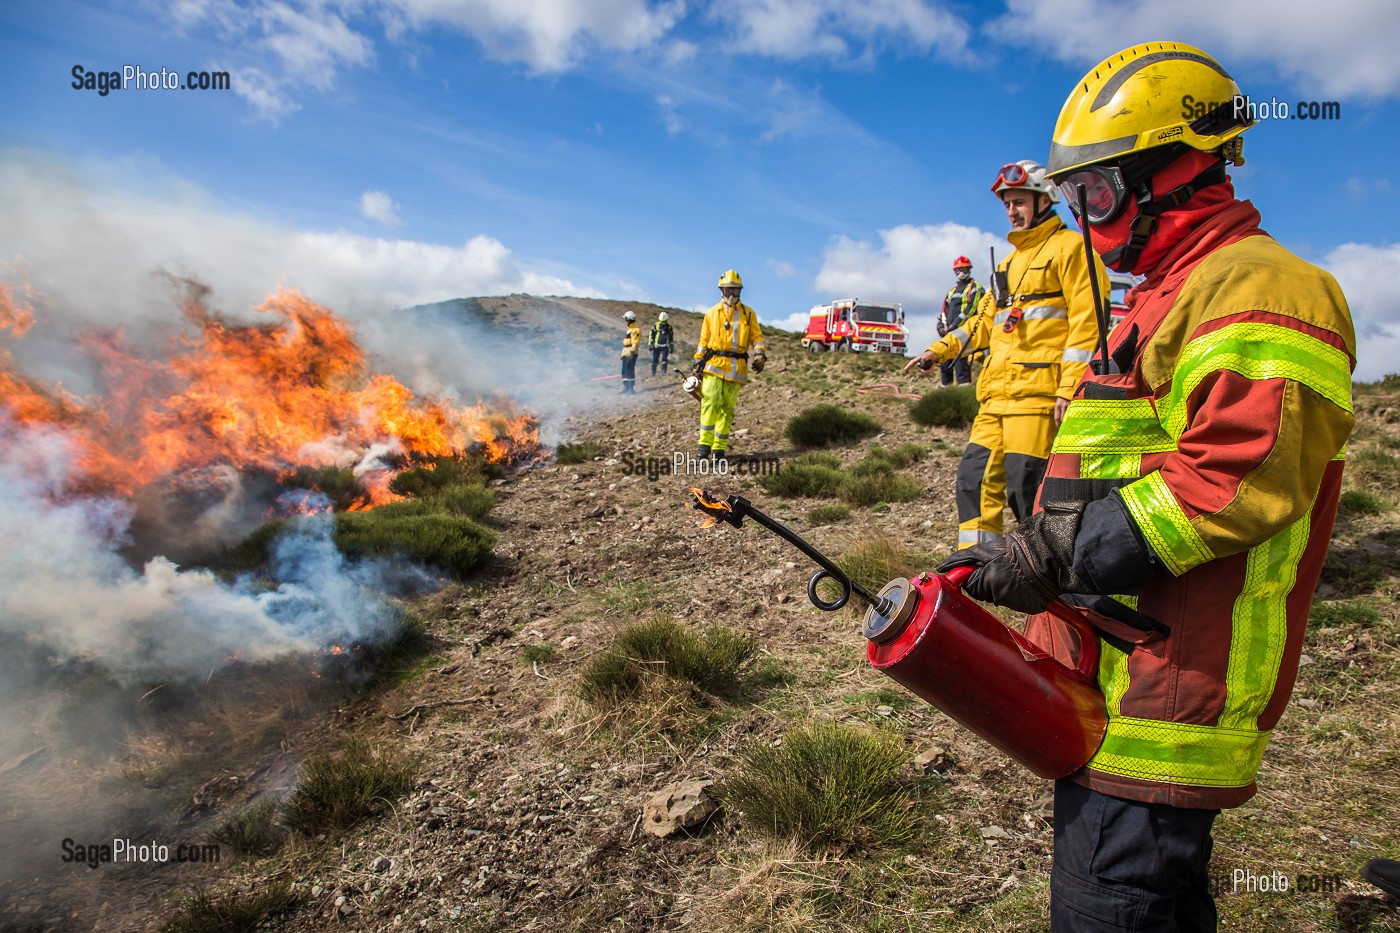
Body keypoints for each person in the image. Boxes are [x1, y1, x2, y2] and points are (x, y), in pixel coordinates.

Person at [941, 42, 1356, 931]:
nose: (1086, 223)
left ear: (1185, 169)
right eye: (1073, 198)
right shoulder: (1167, 293)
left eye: (1098, 193)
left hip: (1168, 689)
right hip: (1113, 674)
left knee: (1115, 907)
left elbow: (1231, 479)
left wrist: (1050, 553)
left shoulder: (1267, 288)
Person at [904, 160, 1106, 550]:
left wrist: (1069, 389)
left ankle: (1059, 575)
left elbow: (1088, 325)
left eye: (1019, 202)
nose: (1012, 211)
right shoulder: (1008, 264)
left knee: (1027, 485)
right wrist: (939, 349)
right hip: (995, 399)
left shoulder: (1073, 250)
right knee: (973, 481)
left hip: (1039, 398)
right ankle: (980, 566)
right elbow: (983, 323)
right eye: (1007, 204)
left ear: (1044, 199)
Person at [694, 269, 766, 462]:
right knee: (710, 401)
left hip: (737, 368)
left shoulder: (748, 314)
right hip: (713, 364)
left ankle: (719, 449)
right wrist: (697, 363)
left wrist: (760, 355)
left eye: (735, 290)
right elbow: (704, 340)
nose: (731, 294)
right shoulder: (711, 313)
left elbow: (756, 337)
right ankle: (704, 444)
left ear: (740, 291)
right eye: (727, 290)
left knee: (727, 408)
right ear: (721, 291)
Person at [936, 256, 983, 386]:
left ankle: (964, 393)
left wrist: (955, 325)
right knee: (945, 361)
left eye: (963, 269)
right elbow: (944, 310)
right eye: (958, 270)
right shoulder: (951, 292)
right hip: (949, 332)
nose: (960, 272)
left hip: (963, 332)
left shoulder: (975, 287)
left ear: (969, 269)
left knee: (961, 363)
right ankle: (946, 393)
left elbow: (971, 308)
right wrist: (941, 326)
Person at [619, 310, 640, 394]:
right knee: (624, 370)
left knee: (630, 370)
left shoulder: (636, 330)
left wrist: (632, 352)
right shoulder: (629, 329)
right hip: (625, 352)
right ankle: (626, 387)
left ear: (629, 319)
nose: (625, 321)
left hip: (631, 353)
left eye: (626, 319)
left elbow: (636, 342)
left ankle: (631, 389)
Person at [649, 311, 675, 376]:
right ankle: (653, 372)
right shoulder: (656, 325)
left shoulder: (669, 327)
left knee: (664, 359)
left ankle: (664, 372)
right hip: (656, 346)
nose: (663, 323)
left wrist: (671, 347)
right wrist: (651, 344)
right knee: (655, 359)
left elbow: (671, 338)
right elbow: (652, 335)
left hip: (665, 346)